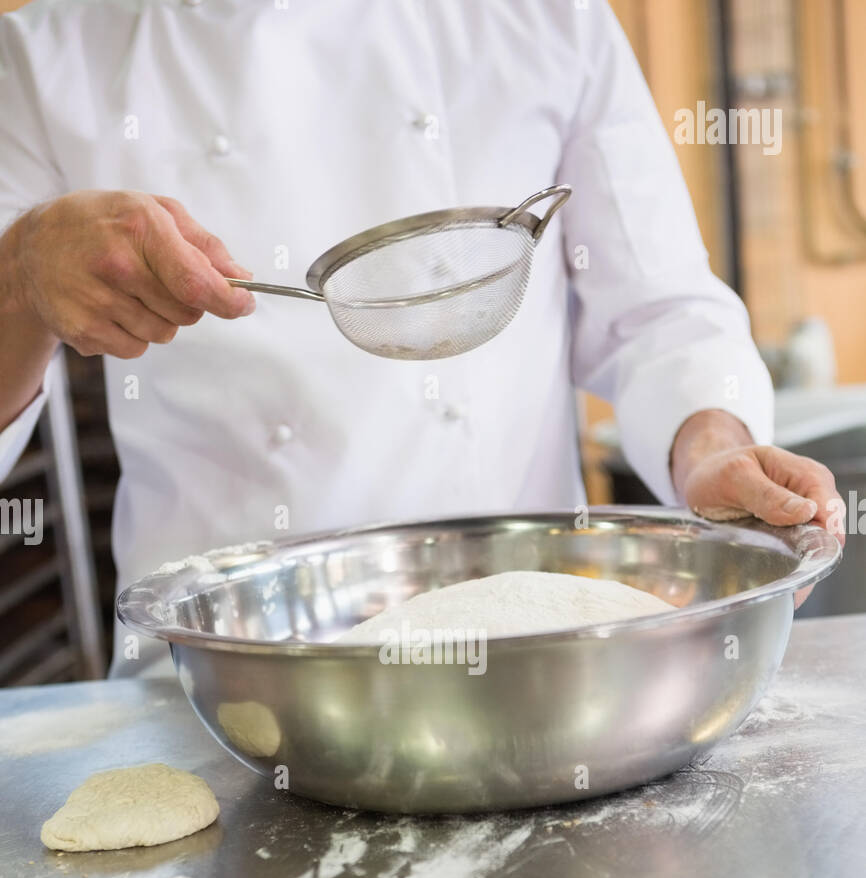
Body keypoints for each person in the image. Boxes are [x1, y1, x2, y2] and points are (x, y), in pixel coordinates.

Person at [0, 0, 841, 673]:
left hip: (525, 665)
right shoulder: (42, 58)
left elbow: (658, 310)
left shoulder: (545, 16)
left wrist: (710, 447)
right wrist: (20, 275)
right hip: (220, 686)